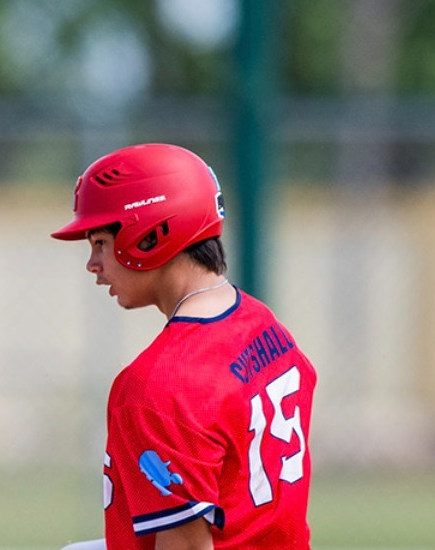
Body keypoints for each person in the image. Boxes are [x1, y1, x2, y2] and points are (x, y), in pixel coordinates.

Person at [52, 144, 316, 549]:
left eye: (100, 242)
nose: (93, 264)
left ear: (149, 237)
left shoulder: (159, 384)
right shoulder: (262, 324)